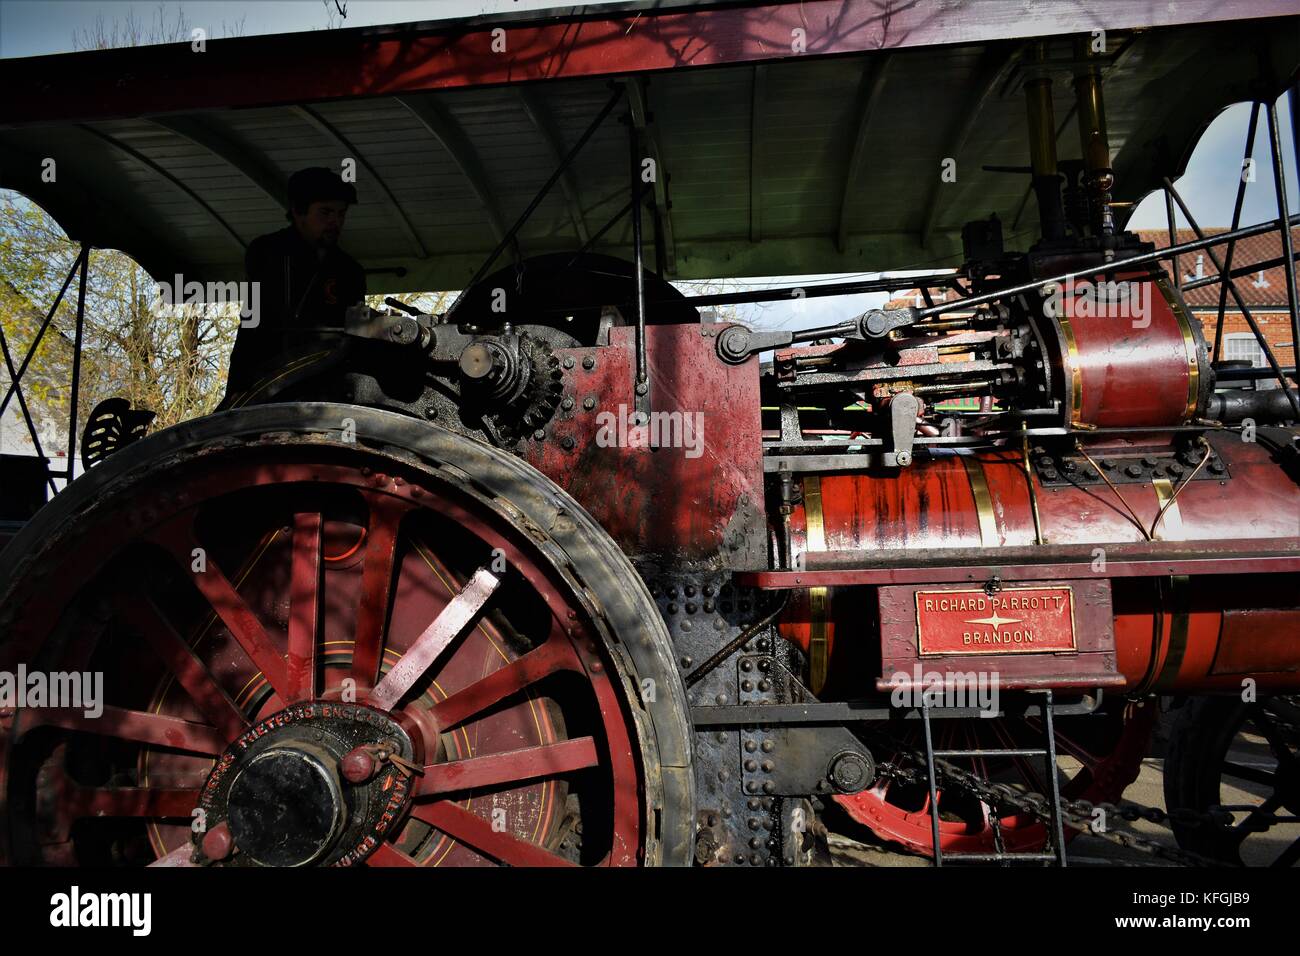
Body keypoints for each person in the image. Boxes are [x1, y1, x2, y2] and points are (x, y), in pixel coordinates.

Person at [225, 167, 367, 398]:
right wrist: (239, 390)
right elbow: (253, 330)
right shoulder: (267, 252)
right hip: (265, 383)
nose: (335, 221)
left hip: (327, 387)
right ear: (298, 212)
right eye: (325, 212)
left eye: (341, 214)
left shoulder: (350, 271)